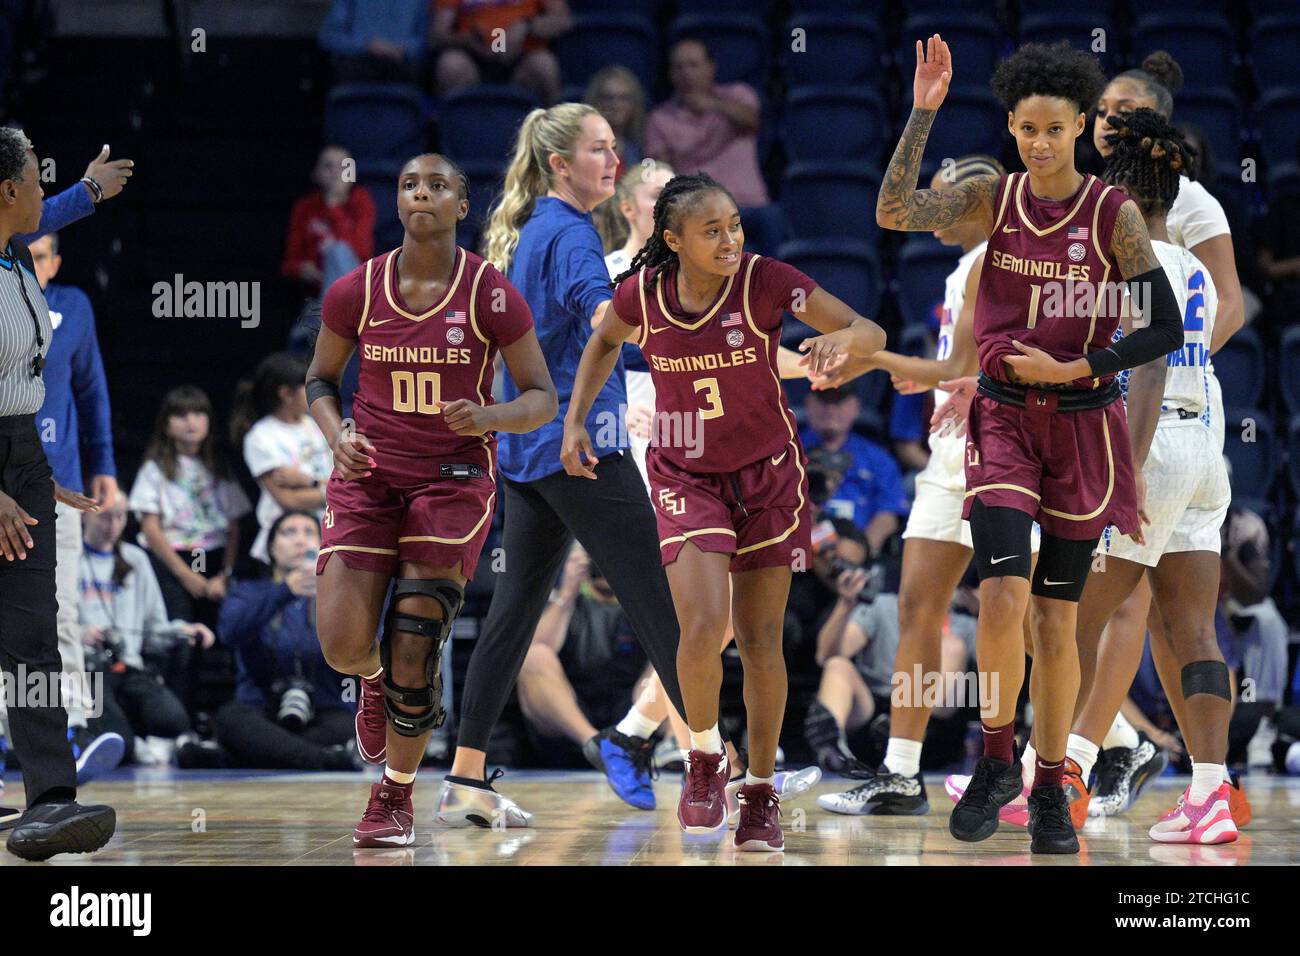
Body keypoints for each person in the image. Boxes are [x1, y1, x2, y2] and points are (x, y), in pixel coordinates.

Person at [880, 38, 1184, 855]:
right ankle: (995, 758)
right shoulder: (996, 199)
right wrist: (923, 112)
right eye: (1025, 128)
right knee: (1001, 593)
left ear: (1082, 127)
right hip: (1007, 419)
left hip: (1085, 423)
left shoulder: (1111, 215)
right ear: (1011, 128)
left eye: (1054, 128)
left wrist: (1080, 362)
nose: (1040, 142)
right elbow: (893, 212)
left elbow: (1166, 325)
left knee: (1056, 624)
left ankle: (1053, 781)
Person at [562, 170, 886, 851]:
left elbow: (868, 326)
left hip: (769, 476)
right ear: (673, 239)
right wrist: (576, 422)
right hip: (685, 474)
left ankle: (761, 790)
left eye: (735, 225)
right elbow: (599, 344)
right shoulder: (643, 294)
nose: (731, 239)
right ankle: (705, 761)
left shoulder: (765, 279)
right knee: (703, 624)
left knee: (762, 639)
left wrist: (843, 342)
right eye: (712, 231)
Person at [434, 103, 701, 827]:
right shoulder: (573, 236)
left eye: (615, 148)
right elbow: (599, 317)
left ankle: (464, 779)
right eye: (597, 150)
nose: (611, 161)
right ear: (559, 163)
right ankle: (721, 774)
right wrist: (695, 346)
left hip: (531, 453)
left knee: (514, 610)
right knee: (662, 606)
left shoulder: (542, 229)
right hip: (580, 447)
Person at [307, 152, 556, 847]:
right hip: (369, 476)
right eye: (411, 184)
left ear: (461, 205)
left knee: (418, 637)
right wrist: (337, 435)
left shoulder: (491, 293)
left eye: (438, 185)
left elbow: (541, 399)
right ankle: (373, 681)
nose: (423, 193)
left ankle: (395, 796)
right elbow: (320, 381)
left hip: (452, 479)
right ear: (399, 201)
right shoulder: (356, 289)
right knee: (342, 646)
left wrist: (489, 418)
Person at [814, 155, 1045, 816]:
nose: (930, 212)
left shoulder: (1005, 260)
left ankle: (1078, 752)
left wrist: (872, 356)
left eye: (942, 200)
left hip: (1005, 456)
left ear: (975, 203)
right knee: (917, 606)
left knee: (1035, 621)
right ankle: (900, 772)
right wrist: (931, 378)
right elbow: (957, 367)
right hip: (949, 458)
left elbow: (975, 366)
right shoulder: (964, 267)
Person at [0, 126, 115, 860]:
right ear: (8, 190)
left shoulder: (15, 256)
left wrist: (92, 191)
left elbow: (50, 217)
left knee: (34, 640)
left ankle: (49, 800)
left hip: (26, 463)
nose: (45, 192)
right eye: (37, 180)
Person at [25, 231, 125, 781]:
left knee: (62, 607)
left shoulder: (74, 307)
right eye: (24, 253)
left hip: (55, 485)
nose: (32, 264)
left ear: (56, 263)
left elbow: (92, 391)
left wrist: (103, 464)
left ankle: (73, 730)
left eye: (41, 257)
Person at [213, 510, 361, 771]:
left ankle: (239, 756)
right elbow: (229, 632)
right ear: (271, 547)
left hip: (323, 711)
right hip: (262, 711)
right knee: (228, 718)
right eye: (288, 532)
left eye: (308, 533)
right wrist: (284, 591)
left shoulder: (340, 594)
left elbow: (365, 645)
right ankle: (326, 760)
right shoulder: (250, 590)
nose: (299, 541)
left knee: (350, 726)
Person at [79, 493, 212, 764]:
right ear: (85, 514)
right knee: (119, 741)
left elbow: (154, 629)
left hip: (128, 667)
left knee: (173, 719)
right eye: (105, 516)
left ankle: (141, 736)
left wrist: (183, 630)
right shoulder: (70, 558)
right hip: (87, 671)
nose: (113, 525)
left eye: (120, 517)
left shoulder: (135, 558)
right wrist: (81, 633)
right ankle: (128, 741)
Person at [515, 544, 648, 782]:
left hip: (635, 715)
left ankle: (674, 747)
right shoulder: (567, 604)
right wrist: (567, 592)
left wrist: (638, 584)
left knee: (674, 659)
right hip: (569, 720)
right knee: (534, 655)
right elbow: (531, 655)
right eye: (599, 560)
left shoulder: (643, 604)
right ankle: (599, 747)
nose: (606, 567)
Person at [643, 39, 785, 255]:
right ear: (670, 74)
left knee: (773, 216)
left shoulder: (738, 95)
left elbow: (752, 121)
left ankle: (776, 286)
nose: (686, 73)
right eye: (678, 67)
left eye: (693, 65)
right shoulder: (660, 118)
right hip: (700, 209)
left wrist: (712, 104)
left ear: (711, 68)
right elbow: (662, 172)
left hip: (749, 206)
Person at [129, 385, 250, 628]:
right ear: (166, 424)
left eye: (198, 414)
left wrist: (224, 575)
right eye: (181, 415)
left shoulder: (219, 467)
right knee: (181, 628)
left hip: (211, 556)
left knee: (215, 627)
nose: (191, 422)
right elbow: (150, 528)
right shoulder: (155, 469)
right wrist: (186, 576)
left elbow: (234, 526)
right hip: (172, 559)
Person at [233, 352, 332, 565]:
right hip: (286, 544)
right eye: (306, 388)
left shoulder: (315, 425)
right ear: (286, 394)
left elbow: (341, 480)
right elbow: (288, 499)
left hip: (326, 535)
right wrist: (333, 491)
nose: (314, 395)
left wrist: (308, 482)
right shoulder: (261, 437)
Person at [800, 386, 909, 555]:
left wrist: (864, 552)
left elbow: (889, 512)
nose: (830, 409)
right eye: (823, 400)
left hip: (854, 542)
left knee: (845, 554)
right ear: (808, 403)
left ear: (856, 407)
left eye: (839, 401)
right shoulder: (786, 452)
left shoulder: (879, 459)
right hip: (798, 543)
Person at [431, 0, 571, 106]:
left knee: (544, 65)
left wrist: (527, 26)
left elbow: (562, 20)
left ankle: (549, 138)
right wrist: (467, 41)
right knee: (451, 65)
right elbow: (438, 34)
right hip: (473, 57)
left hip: (522, 56)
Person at [282, 145, 375, 295]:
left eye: (344, 166)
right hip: (319, 296)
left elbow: (360, 255)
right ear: (315, 174)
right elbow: (289, 264)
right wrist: (301, 268)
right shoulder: (305, 207)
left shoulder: (361, 201)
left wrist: (333, 206)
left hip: (358, 293)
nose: (336, 172)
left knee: (337, 251)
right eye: (328, 165)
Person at [319, 0, 429, 84]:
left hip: (403, 68)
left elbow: (423, 41)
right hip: (357, 66)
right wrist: (366, 46)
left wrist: (402, 49)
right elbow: (330, 36)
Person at [584, 65, 647, 171]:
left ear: (634, 105)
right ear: (596, 102)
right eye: (608, 98)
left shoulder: (642, 149)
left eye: (623, 98)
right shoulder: (581, 148)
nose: (616, 105)